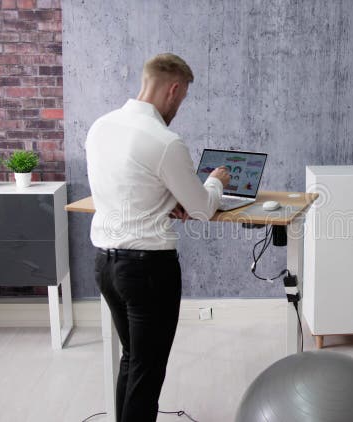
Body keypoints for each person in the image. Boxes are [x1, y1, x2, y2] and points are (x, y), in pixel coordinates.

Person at [85, 53, 231, 422]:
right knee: (148, 373)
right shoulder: (165, 141)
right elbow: (201, 209)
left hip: (105, 264)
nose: (178, 108)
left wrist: (165, 201)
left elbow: (126, 186)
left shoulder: (100, 126)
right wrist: (215, 181)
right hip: (148, 271)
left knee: (132, 359)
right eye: (180, 101)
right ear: (174, 89)